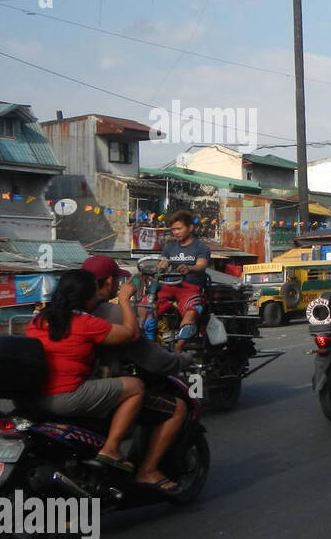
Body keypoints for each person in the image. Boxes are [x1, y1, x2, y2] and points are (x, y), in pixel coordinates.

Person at [25, 270, 177, 490]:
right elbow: (132, 335)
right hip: (68, 396)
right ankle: (112, 448)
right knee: (135, 387)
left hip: (37, 395)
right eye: (95, 293)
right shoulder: (85, 322)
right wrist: (124, 299)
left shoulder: (40, 320)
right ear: (86, 296)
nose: (98, 297)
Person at [151, 210, 211, 351]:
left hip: (191, 289)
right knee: (145, 306)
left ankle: (178, 348)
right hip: (169, 286)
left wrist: (189, 268)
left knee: (192, 312)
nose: (176, 232)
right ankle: (150, 341)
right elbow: (161, 264)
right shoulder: (170, 247)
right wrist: (161, 266)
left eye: (179, 228)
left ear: (190, 228)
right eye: (173, 229)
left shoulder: (201, 247)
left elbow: (201, 266)